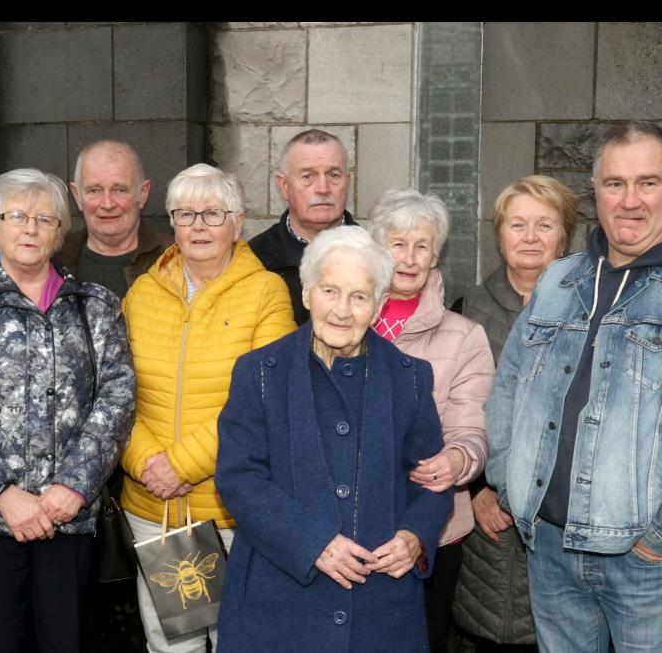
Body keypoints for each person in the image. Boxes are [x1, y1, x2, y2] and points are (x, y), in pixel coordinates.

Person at [485, 121, 662, 653]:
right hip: (549, 548)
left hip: (644, 562)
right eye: (615, 184)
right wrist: (506, 480)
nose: (630, 200)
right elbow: (508, 388)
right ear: (596, 191)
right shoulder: (559, 281)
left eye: (647, 183)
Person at [0, 168, 136, 653]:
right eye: (16, 216)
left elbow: (118, 398)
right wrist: (3, 494)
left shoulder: (95, 306)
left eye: (45, 218)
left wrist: (74, 485)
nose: (31, 228)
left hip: (68, 518)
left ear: (61, 232)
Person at [215, 225, 454, 651]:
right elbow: (239, 479)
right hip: (278, 607)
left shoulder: (410, 379)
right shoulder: (259, 374)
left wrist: (415, 536)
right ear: (306, 293)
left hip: (379, 613)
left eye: (359, 296)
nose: (342, 310)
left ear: (378, 305)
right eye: (329, 291)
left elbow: (433, 485)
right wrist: (311, 543)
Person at [120, 163, 295, 652]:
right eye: (186, 213)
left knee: (238, 639)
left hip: (229, 504)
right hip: (156, 506)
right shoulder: (142, 293)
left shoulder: (266, 292)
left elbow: (265, 398)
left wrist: (182, 465)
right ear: (171, 223)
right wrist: (146, 463)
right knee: (170, 642)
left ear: (238, 223)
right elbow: (115, 392)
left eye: (213, 213)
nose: (198, 226)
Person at [450, 175, 579, 652]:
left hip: (561, 524)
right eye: (517, 224)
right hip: (485, 526)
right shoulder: (466, 311)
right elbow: (446, 415)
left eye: (544, 225)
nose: (529, 237)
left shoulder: (594, 309)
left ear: (564, 237)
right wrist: (475, 491)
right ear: (499, 234)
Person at [366, 188, 493, 652]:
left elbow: (471, 425)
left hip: (433, 528)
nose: (410, 257)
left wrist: (458, 460)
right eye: (398, 243)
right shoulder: (344, 319)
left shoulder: (465, 336)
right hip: (350, 524)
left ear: (435, 254)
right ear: (377, 248)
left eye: (422, 245)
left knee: (421, 640)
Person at [249, 128, 356, 324]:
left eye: (333, 175)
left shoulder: (377, 255)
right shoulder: (254, 260)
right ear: (283, 186)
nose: (323, 189)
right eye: (308, 176)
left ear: (347, 182)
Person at [59, 140, 174, 298]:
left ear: (143, 193)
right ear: (77, 196)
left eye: (120, 190)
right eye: (94, 190)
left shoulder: (175, 257)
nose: (107, 203)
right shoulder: (53, 260)